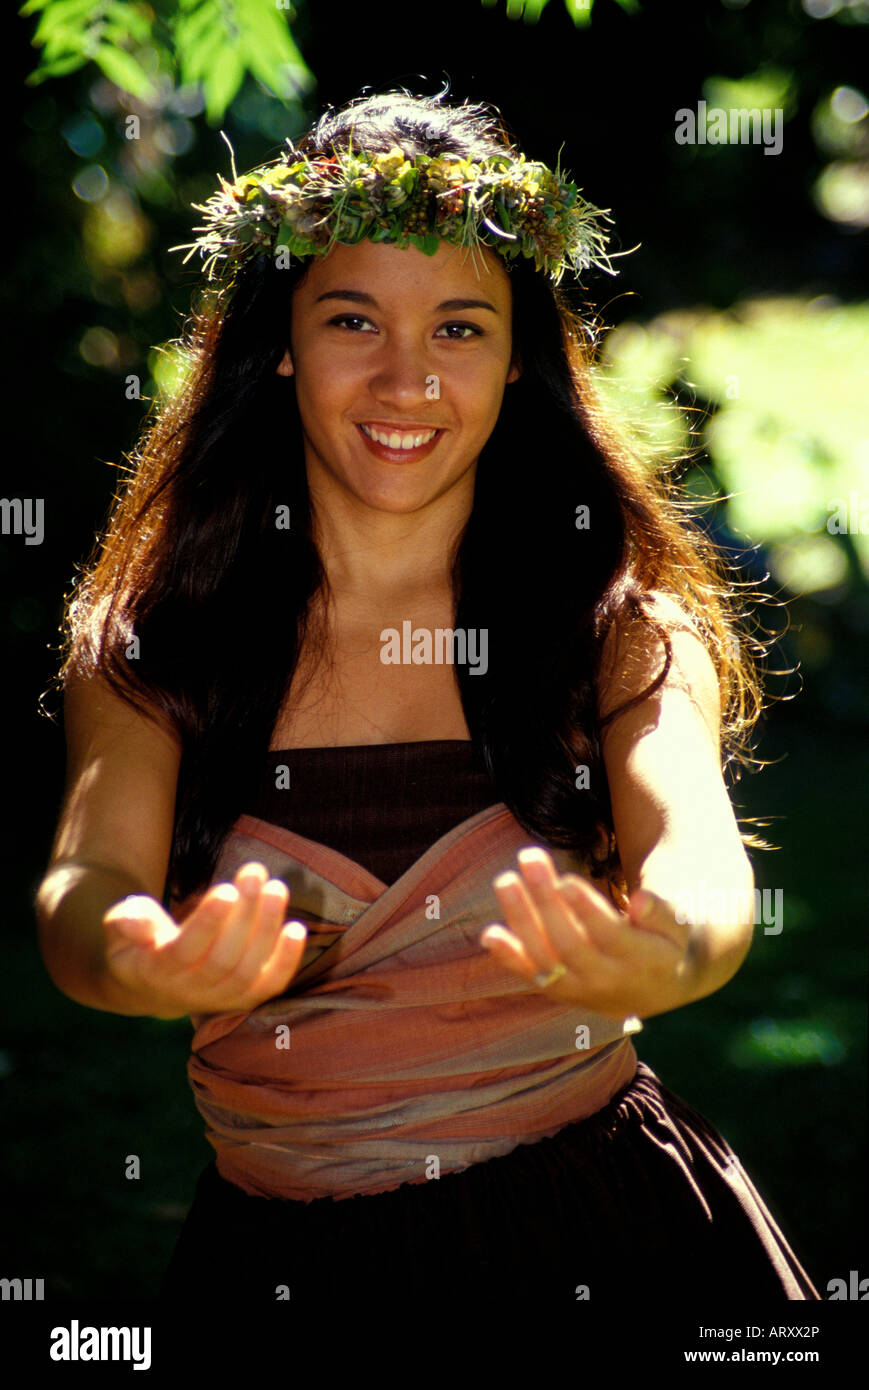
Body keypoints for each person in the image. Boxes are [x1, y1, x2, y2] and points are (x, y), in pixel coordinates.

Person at [36, 87, 819, 1306]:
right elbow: (85, 887)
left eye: (459, 327)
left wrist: (671, 951)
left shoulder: (613, 629)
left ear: (518, 360)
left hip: (610, 1245)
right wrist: (130, 959)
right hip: (287, 1276)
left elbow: (699, 864)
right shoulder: (154, 645)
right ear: (279, 336)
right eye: (354, 318)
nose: (406, 379)